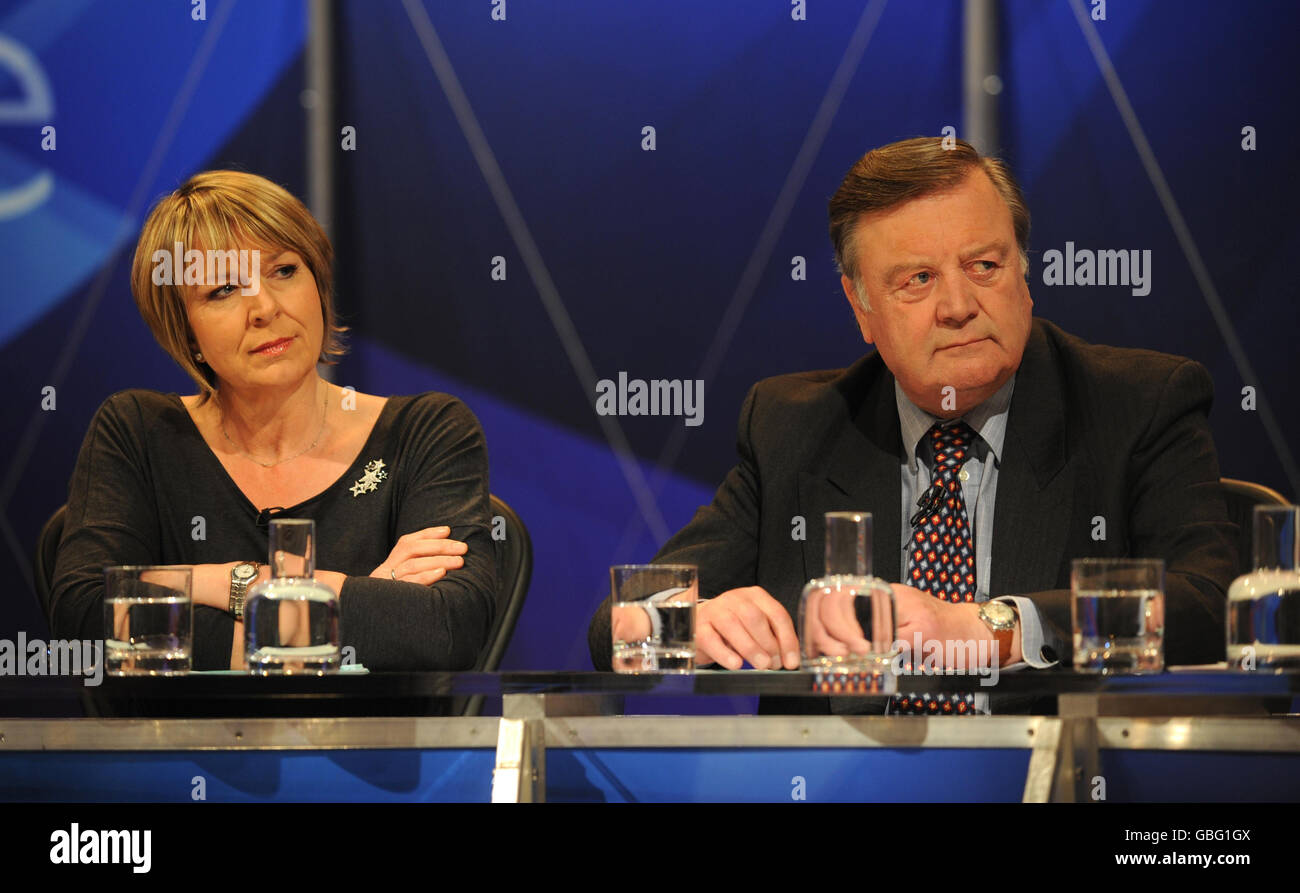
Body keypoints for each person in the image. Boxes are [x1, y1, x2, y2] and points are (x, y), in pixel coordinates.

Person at [588, 137, 1237, 713]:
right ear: (860, 306)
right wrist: (688, 621)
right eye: (918, 279)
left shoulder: (1138, 402)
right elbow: (615, 628)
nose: (958, 306)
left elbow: (1210, 604)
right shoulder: (794, 425)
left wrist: (993, 629)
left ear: (1023, 272)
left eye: (985, 265)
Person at [46, 170, 496, 671]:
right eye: (223, 290)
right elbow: (85, 623)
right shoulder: (138, 432)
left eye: (283, 271)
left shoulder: (424, 433)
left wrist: (185, 586)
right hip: (182, 749)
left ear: (318, 284)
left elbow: (445, 630)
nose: (264, 307)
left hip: (370, 750)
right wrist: (363, 593)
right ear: (187, 331)